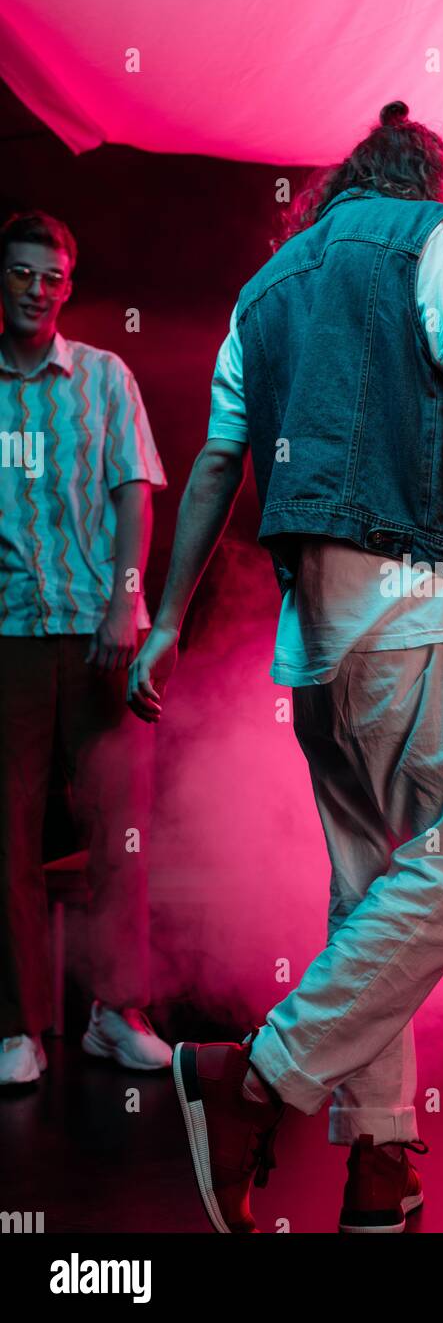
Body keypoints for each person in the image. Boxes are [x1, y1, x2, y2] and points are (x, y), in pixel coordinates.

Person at [127, 100, 443, 1233]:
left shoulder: (265, 291)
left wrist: (165, 623)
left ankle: (381, 1163)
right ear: (426, 178)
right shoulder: (426, 231)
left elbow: (215, 466)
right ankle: (252, 1074)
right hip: (419, 609)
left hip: (315, 644)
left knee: (369, 896)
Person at [0, 210, 171, 1084]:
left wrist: (125, 604)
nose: (37, 290)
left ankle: (116, 1012)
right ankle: (19, 1029)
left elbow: (133, 494)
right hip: (8, 639)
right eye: (23, 273)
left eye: (52, 277)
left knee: (121, 833)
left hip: (98, 633)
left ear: (68, 287)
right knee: (9, 835)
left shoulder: (105, 376)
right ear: (3, 280)